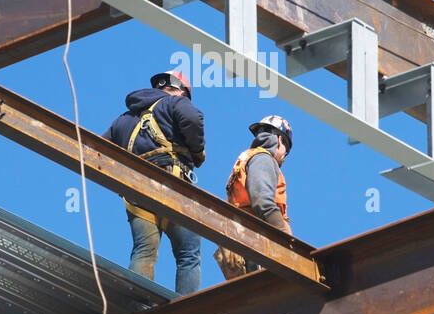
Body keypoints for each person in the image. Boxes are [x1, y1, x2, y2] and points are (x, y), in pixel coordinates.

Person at [105, 70, 206, 294]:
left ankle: (137, 304)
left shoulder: (124, 119)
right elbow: (192, 119)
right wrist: (197, 150)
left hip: (137, 193)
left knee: (143, 250)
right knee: (188, 255)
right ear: (182, 91)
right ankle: (186, 308)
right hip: (172, 186)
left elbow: (99, 152)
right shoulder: (175, 103)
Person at [216, 115, 294, 279]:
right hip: (257, 240)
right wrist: (286, 241)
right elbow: (262, 202)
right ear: (279, 140)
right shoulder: (264, 159)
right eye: (286, 148)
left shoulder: (251, 158)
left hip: (244, 238)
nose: (285, 157)